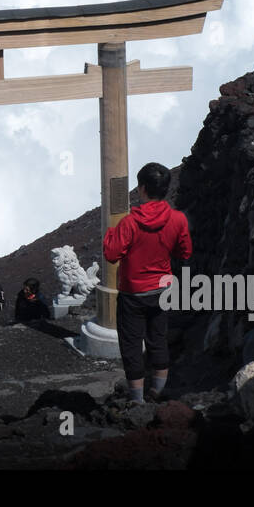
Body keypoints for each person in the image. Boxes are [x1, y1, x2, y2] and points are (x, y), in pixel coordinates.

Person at [103, 162, 192, 403]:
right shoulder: (178, 219)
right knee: (158, 338)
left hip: (133, 293)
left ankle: (137, 399)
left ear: (142, 188)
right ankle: (158, 391)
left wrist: (111, 233)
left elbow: (111, 254)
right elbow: (184, 253)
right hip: (162, 289)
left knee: (131, 344)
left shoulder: (129, 223)